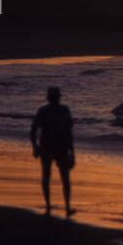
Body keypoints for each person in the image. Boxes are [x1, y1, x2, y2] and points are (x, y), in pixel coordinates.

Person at [30, 87, 75, 217]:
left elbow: (69, 133)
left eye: (56, 97)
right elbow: (33, 130)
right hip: (48, 148)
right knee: (49, 176)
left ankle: (65, 206)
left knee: (63, 178)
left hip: (60, 148)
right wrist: (35, 147)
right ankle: (51, 205)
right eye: (54, 97)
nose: (55, 99)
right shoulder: (44, 111)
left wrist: (72, 153)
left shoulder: (63, 111)